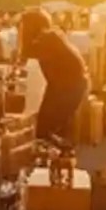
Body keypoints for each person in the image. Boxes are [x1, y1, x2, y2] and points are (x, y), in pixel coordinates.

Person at [20, 8, 89, 144]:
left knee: (45, 128)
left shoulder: (49, 37)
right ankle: (54, 150)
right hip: (63, 85)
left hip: (69, 87)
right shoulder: (50, 36)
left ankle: (58, 153)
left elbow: (25, 51)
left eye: (24, 27)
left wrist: (24, 34)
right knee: (43, 126)